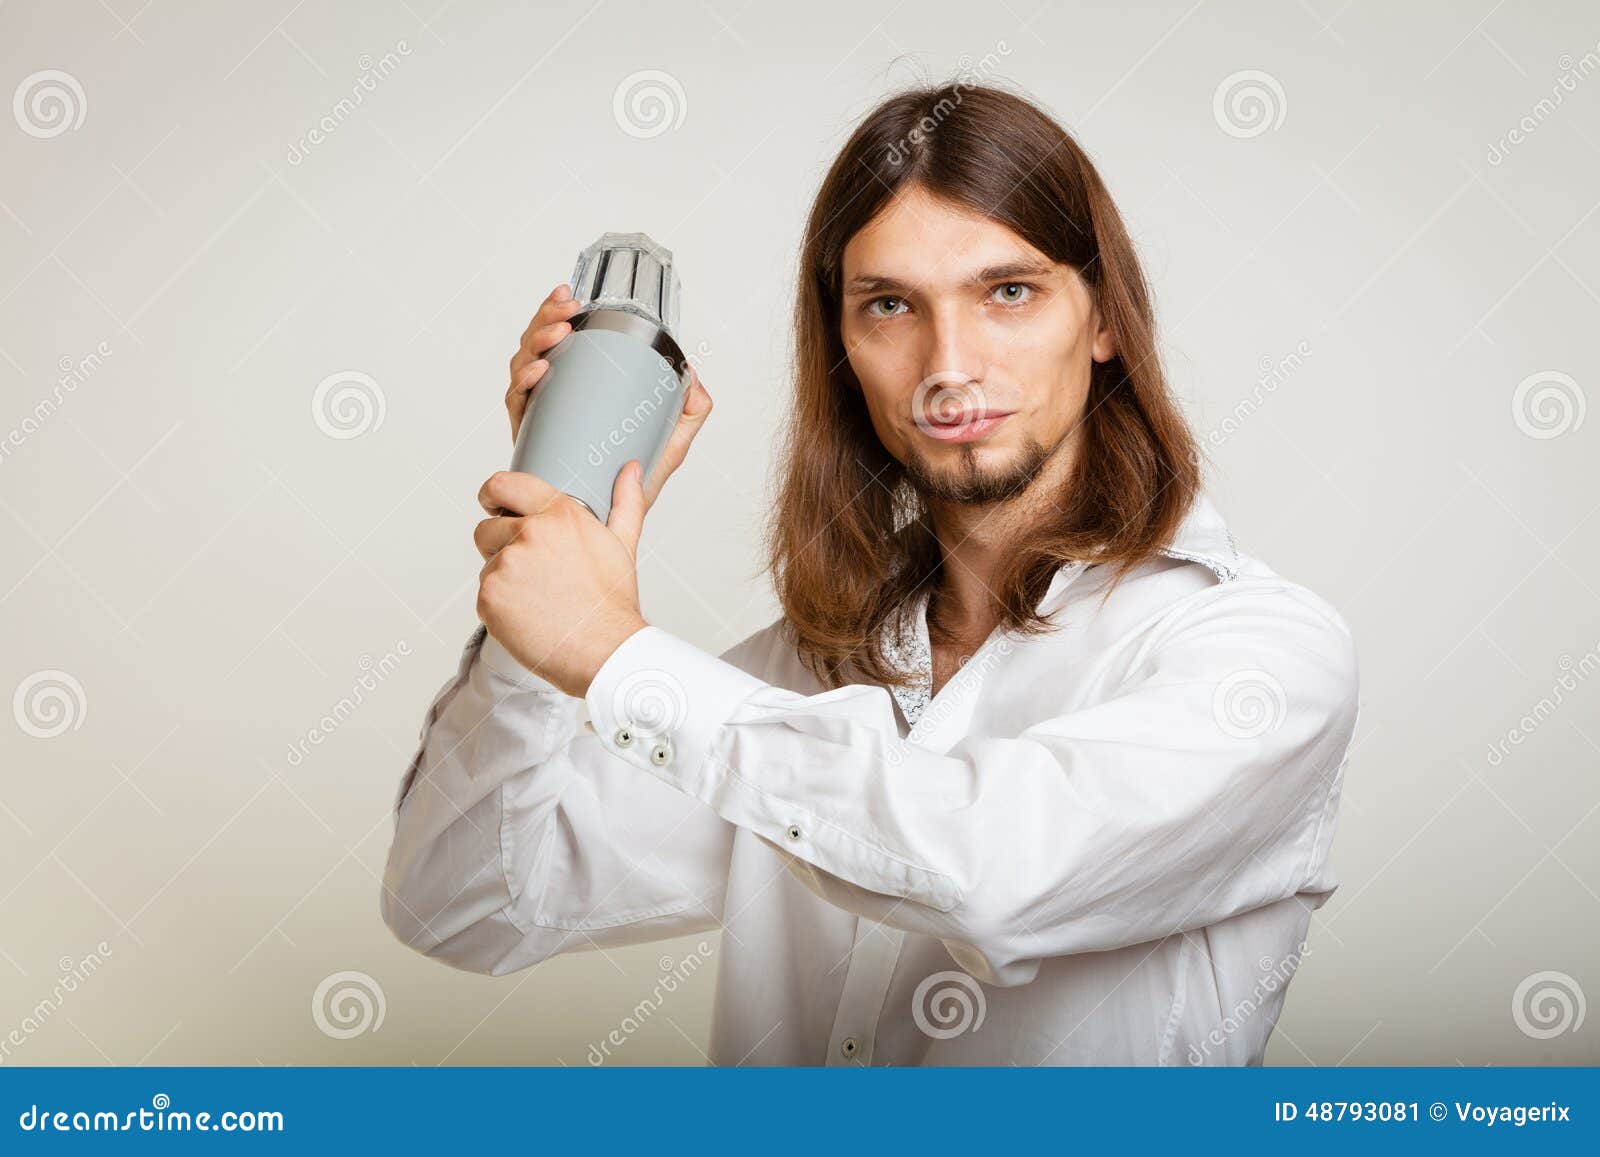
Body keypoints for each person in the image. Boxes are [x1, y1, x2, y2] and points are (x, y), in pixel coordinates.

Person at [379, 81, 1360, 1066]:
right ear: (843, 346)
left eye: (1006, 291)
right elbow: (467, 906)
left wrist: (611, 654)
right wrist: (559, 526)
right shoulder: (804, 672)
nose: (948, 361)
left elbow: (990, 870)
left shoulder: (1255, 656)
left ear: (1101, 318)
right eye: (890, 304)